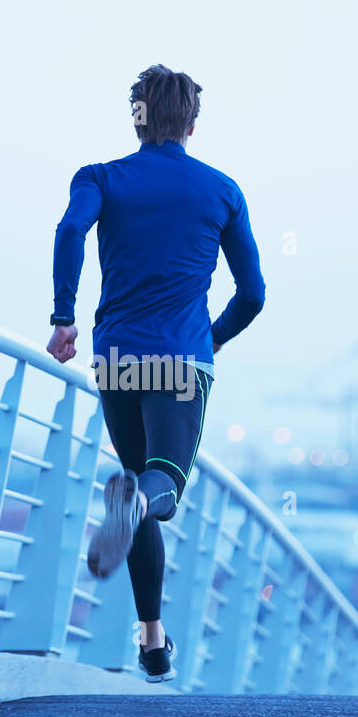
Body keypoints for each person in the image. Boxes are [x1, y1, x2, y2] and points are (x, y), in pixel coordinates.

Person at [46, 64, 265, 682]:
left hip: (115, 360)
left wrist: (64, 316)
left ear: (136, 116)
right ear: (192, 123)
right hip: (179, 363)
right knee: (159, 489)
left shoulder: (100, 178)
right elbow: (253, 294)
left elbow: (70, 230)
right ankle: (135, 506)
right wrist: (207, 343)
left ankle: (151, 643)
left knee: (138, 488)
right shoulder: (221, 191)